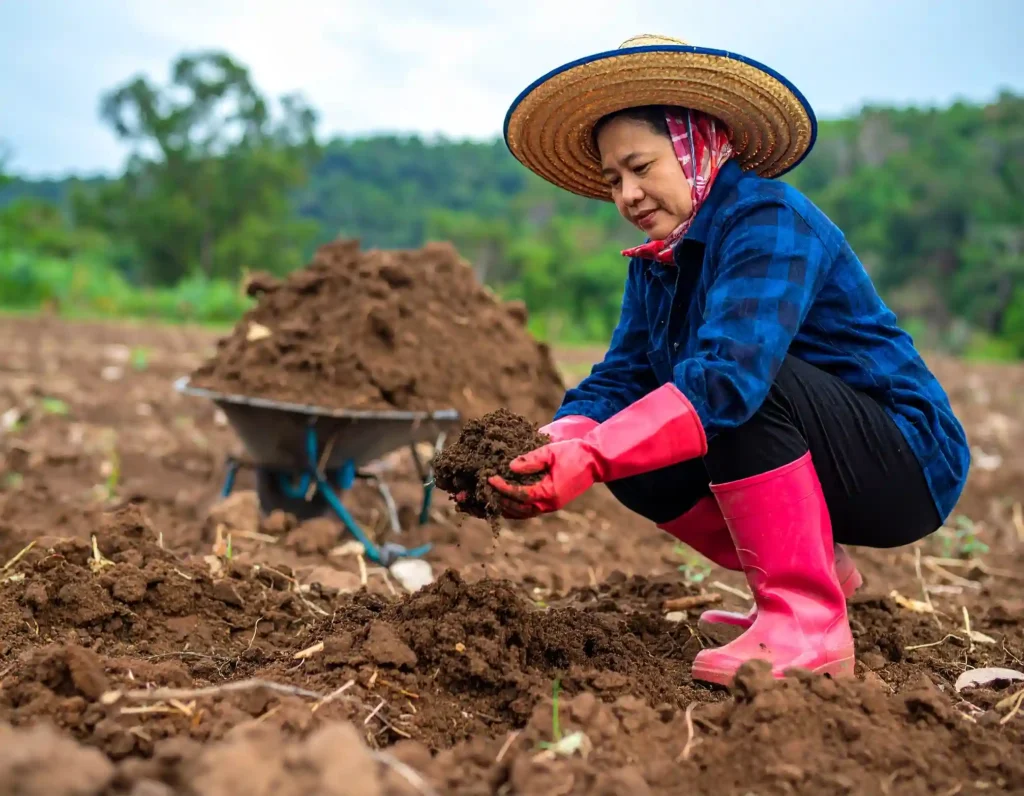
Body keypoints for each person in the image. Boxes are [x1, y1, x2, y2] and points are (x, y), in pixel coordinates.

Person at [492, 34, 970, 686]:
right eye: (613, 180)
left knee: (735, 388)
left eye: (640, 166)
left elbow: (729, 378)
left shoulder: (768, 220)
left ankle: (806, 619)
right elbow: (621, 375)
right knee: (634, 427)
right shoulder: (658, 263)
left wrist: (596, 455)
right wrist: (556, 443)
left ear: (694, 142)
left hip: (905, 459)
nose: (627, 195)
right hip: (819, 452)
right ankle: (808, 578)